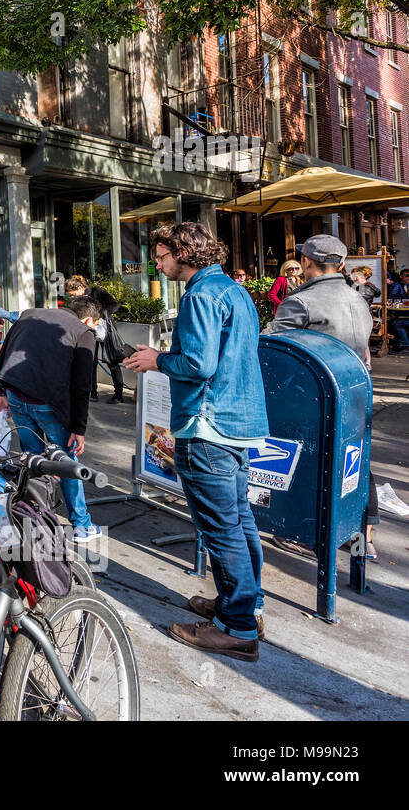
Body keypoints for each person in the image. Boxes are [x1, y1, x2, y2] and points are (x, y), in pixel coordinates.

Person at [124, 222, 269, 662]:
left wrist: (157, 359)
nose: (158, 262)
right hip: (235, 421)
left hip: (206, 424)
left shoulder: (200, 295)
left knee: (220, 528)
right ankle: (244, 605)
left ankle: (237, 627)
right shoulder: (233, 290)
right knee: (238, 520)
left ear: (184, 253)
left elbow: (197, 363)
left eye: (163, 254)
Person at [266, 235, 379, 560]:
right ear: (341, 263)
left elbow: (272, 351)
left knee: (307, 465)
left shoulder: (303, 301)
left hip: (313, 400)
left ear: (306, 263)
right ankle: (361, 537)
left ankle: (300, 534)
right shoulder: (356, 298)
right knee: (356, 459)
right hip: (355, 390)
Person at [0, 296, 104, 542]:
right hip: (48, 405)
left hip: (15, 394)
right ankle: (81, 525)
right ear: (88, 319)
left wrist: (1, 391)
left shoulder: (30, 314)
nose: (94, 329)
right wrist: (79, 428)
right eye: (95, 324)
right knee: (66, 463)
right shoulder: (83, 331)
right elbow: (82, 385)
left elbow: (6, 351)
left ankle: (33, 517)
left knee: (32, 461)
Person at [64, 275, 126, 403]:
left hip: (104, 330)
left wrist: (100, 314)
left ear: (81, 288)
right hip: (88, 330)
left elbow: (114, 305)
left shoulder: (97, 291)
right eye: (70, 295)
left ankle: (118, 394)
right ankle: (92, 392)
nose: (73, 297)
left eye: (73, 294)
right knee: (90, 361)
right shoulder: (77, 300)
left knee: (112, 361)